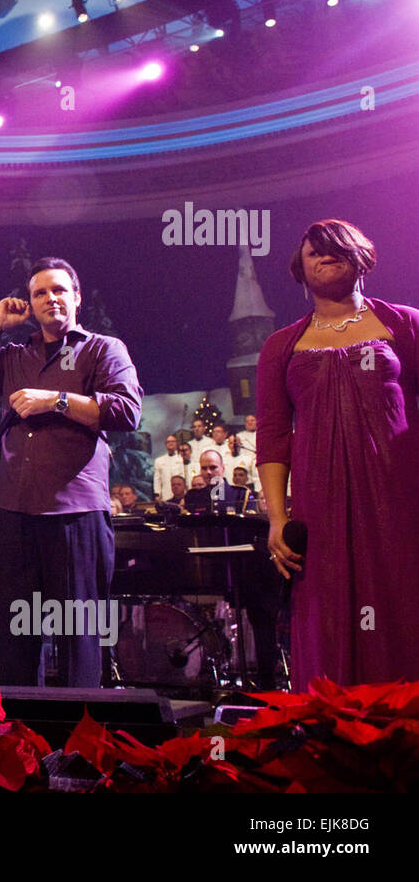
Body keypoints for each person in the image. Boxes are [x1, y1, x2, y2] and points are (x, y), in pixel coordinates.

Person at [0, 257, 143, 688]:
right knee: (17, 635)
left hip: (74, 513)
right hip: (14, 513)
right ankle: (23, 741)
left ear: (76, 297)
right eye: (39, 293)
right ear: (29, 305)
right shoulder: (15, 355)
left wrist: (55, 400)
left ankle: (78, 744)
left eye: (58, 290)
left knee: (78, 635)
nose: (50, 298)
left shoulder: (103, 349)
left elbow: (127, 411)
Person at [259, 219, 419, 689]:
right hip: (319, 506)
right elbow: (272, 434)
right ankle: (332, 740)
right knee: (327, 612)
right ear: (299, 270)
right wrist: (275, 518)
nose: (325, 256)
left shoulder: (405, 324)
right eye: (313, 252)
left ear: (362, 258)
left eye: (336, 248)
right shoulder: (279, 346)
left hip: (400, 500)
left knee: (402, 602)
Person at [183, 449, 251, 514]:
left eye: (213, 468)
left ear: (223, 468)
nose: (208, 472)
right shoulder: (193, 496)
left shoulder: (240, 494)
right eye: (204, 468)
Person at [152, 434, 186, 501]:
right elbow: (157, 479)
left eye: (173, 441)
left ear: (176, 443)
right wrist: (157, 494)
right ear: (165, 444)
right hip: (166, 493)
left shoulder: (182, 459)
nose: (170, 443)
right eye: (168, 442)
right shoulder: (159, 461)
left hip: (181, 495)